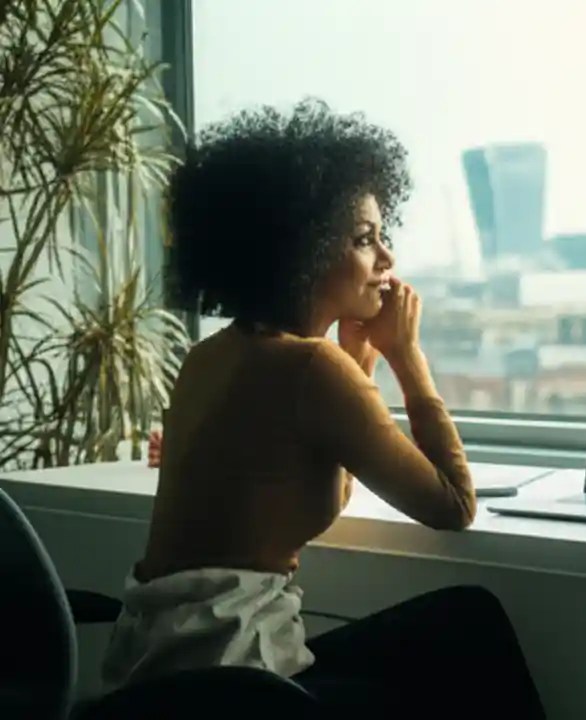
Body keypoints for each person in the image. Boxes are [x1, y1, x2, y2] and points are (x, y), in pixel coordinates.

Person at [99, 99, 545, 717]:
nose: (386, 259)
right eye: (365, 239)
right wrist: (405, 357)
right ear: (300, 250)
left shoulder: (212, 356)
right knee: (468, 628)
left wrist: (358, 364)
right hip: (239, 682)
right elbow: (453, 505)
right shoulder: (312, 369)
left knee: (452, 629)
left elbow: (310, 485)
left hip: (163, 672)